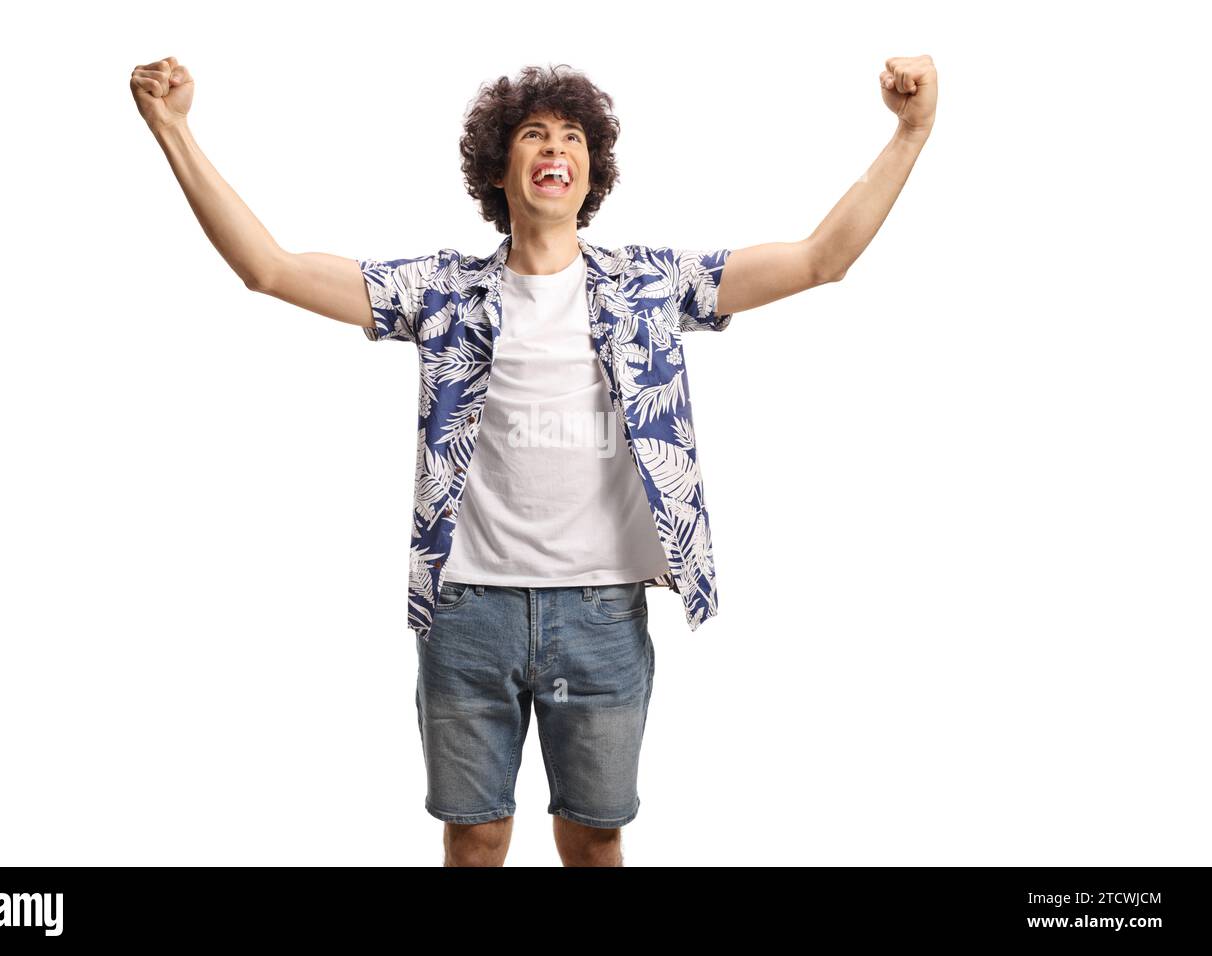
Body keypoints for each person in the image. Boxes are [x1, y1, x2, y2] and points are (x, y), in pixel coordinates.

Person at [130, 57, 938, 866]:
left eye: (573, 135)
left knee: (592, 842)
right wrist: (174, 131)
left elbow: (819, 259)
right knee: (476, 840)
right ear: (499, 167)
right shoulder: (444, 292)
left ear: (593, 169)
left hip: (600, 616)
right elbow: (269, 270)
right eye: (533, 134)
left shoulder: (650, 287)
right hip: (467, 613)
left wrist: (910, 133)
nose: (556, 147)